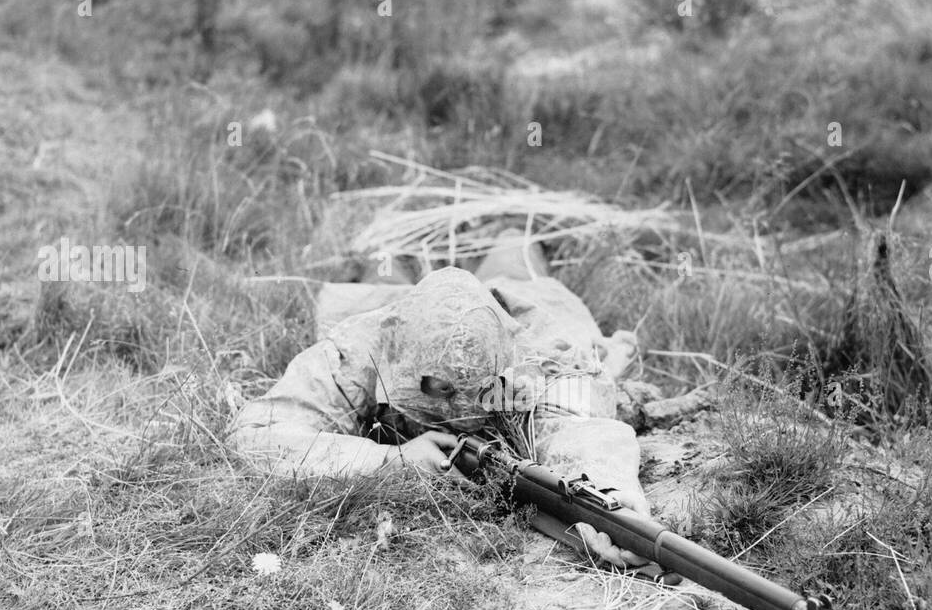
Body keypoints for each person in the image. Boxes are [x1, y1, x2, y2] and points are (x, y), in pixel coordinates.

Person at [229, 237, 650, 567]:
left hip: (519, 296)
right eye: (439, 389)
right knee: (386, 261)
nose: (461, 410)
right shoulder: (359, 351)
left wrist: (608, 499)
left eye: (482, 390)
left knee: (512, 252)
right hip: (398, 310)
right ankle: (397, 252)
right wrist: (392, 459)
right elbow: (261, 433)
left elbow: (579, 428)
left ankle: (501, 226)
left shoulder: (544, 356)